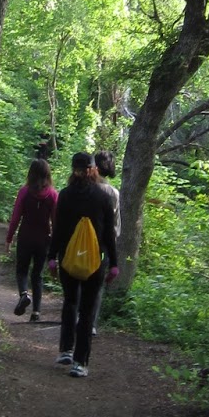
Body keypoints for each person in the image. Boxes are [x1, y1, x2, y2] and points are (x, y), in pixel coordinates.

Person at [48, 151, 118, 378]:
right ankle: (80, 362)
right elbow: (109, 234)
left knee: (70, 302)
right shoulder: (103, 197)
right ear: (93, 169)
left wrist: (51, 257)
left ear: (73, 170)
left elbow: (58, 229)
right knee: (87, 310)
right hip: (95, 260)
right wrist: (114, 263)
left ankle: (66, 350)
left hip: (68, 258)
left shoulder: (65, 195)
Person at [5, 158, 58, 322]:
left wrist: (9, 238)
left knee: (22, 270)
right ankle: (36, 312)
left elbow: (15, 218)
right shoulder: (53, 195)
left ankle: (24, 294)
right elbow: (56, 221)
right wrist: (56, 245)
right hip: (43, 239)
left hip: (25, 237)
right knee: (37, 274)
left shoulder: (24, 191)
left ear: (31, 173)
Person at [90, 150, 120, 337]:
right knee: (97, 285)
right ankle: (91, 322)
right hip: (102, 245)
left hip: (81, 242)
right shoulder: (113, 193)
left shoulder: (83, 188)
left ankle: (78, 315)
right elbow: (115, 226)